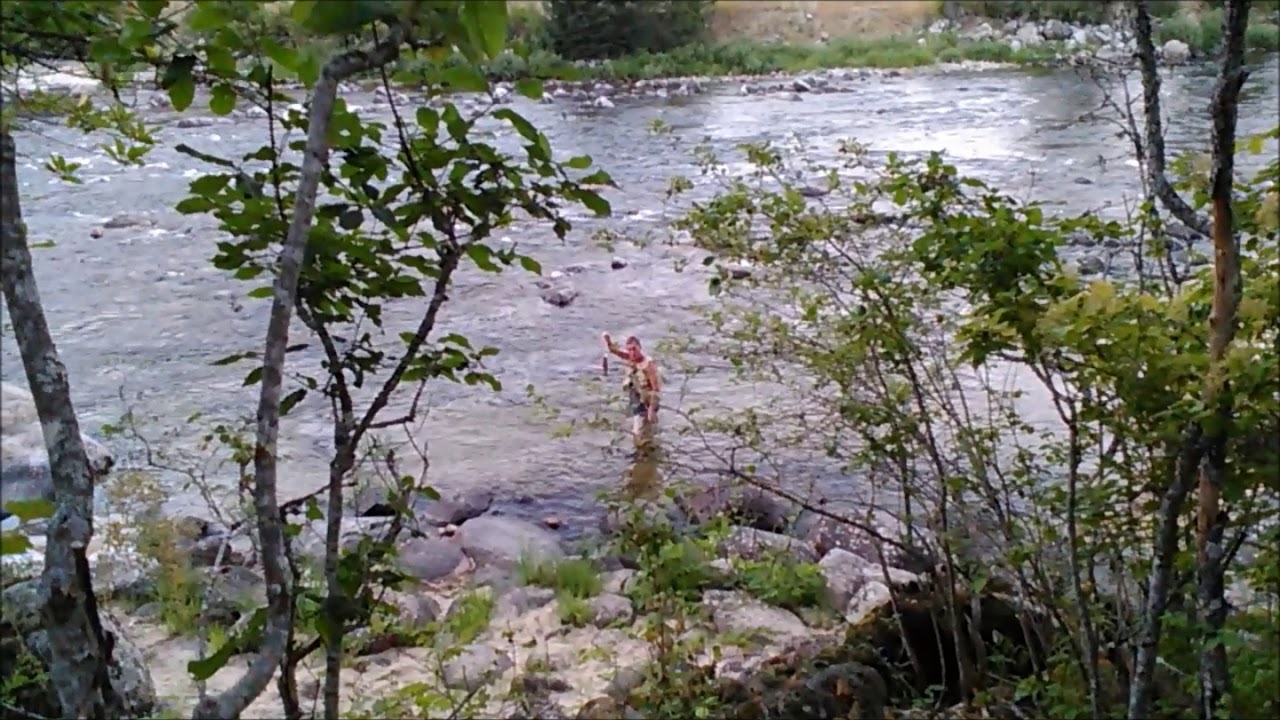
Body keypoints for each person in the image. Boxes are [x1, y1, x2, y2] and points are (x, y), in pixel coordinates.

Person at [601, 332, 661, 443]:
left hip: (647, 403)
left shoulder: (648, 365)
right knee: (645, 434)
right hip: (637, 400)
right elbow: (614, 351)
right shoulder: (629, 358)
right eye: (630, 350)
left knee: (639, 435)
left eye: (634, 349)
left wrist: (651, 409)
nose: (632, 352)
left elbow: (655, 389)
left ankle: (643, 454)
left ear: (640, 348)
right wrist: (608, 341)